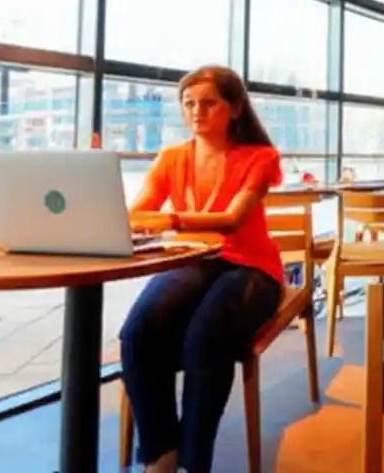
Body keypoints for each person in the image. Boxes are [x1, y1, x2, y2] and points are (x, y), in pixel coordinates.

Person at [120, 65, 284, 473]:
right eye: (189, 103)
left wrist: (173, 220)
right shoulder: (172, 157)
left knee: (205, 336)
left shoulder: (259, 157)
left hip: (252, 267)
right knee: (138, 330)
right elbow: (138, 211)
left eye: (209, 103)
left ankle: (195, 463)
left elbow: (232, 220)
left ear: (235, 108)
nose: (197, 111)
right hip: (195, 258)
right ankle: (160, 453)